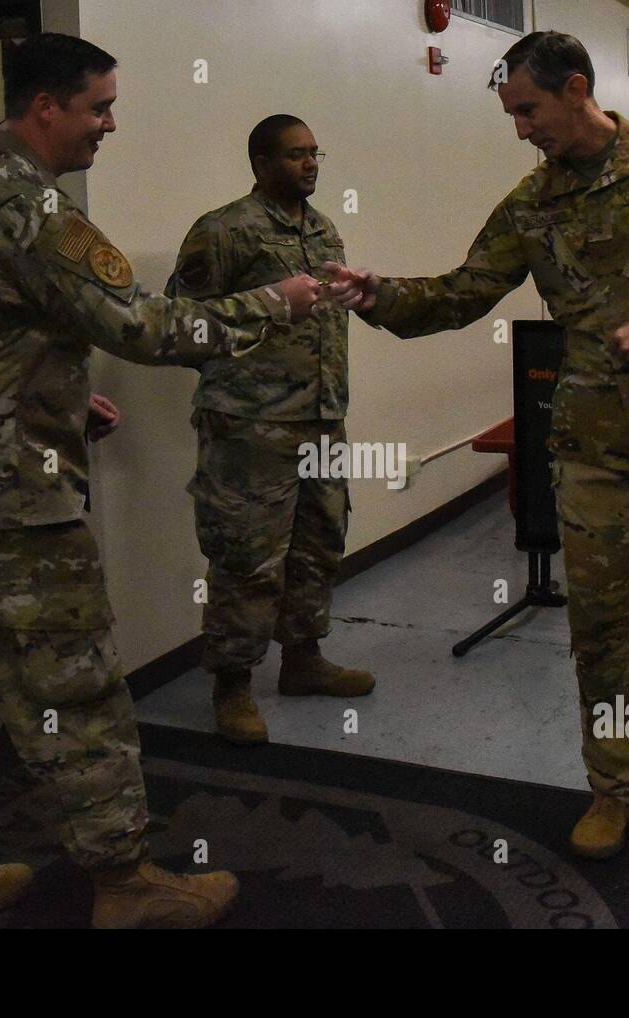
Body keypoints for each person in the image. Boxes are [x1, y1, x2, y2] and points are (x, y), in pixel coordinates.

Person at [327, 31, 629, 859]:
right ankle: (615, 788)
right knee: (597, 624)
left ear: (577, 88)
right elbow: (463, 293)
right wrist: (377, 295)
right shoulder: (533, 206)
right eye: (511, 116)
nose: (521, 129)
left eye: (528, 110)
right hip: (592, 445)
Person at [0, 32, 321, 928]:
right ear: (47, 107)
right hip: (11, 502)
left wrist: (54, 397)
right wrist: (277, 302)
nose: (109, 125)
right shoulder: (32, 209)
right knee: (78, 691)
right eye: (99, 107)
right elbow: (144, 327)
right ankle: (125, 884)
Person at [166, 115, 374, 746]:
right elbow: (184, 323)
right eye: (295, 155)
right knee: (248, 557)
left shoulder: (322, 228)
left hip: (320, 418)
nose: (310, 165)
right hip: (251, 428)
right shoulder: (223, 230)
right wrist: (243, 385)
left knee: (319, 540)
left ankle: (303, 661)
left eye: (315, 153)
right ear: (260, 162)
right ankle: (232, 685)